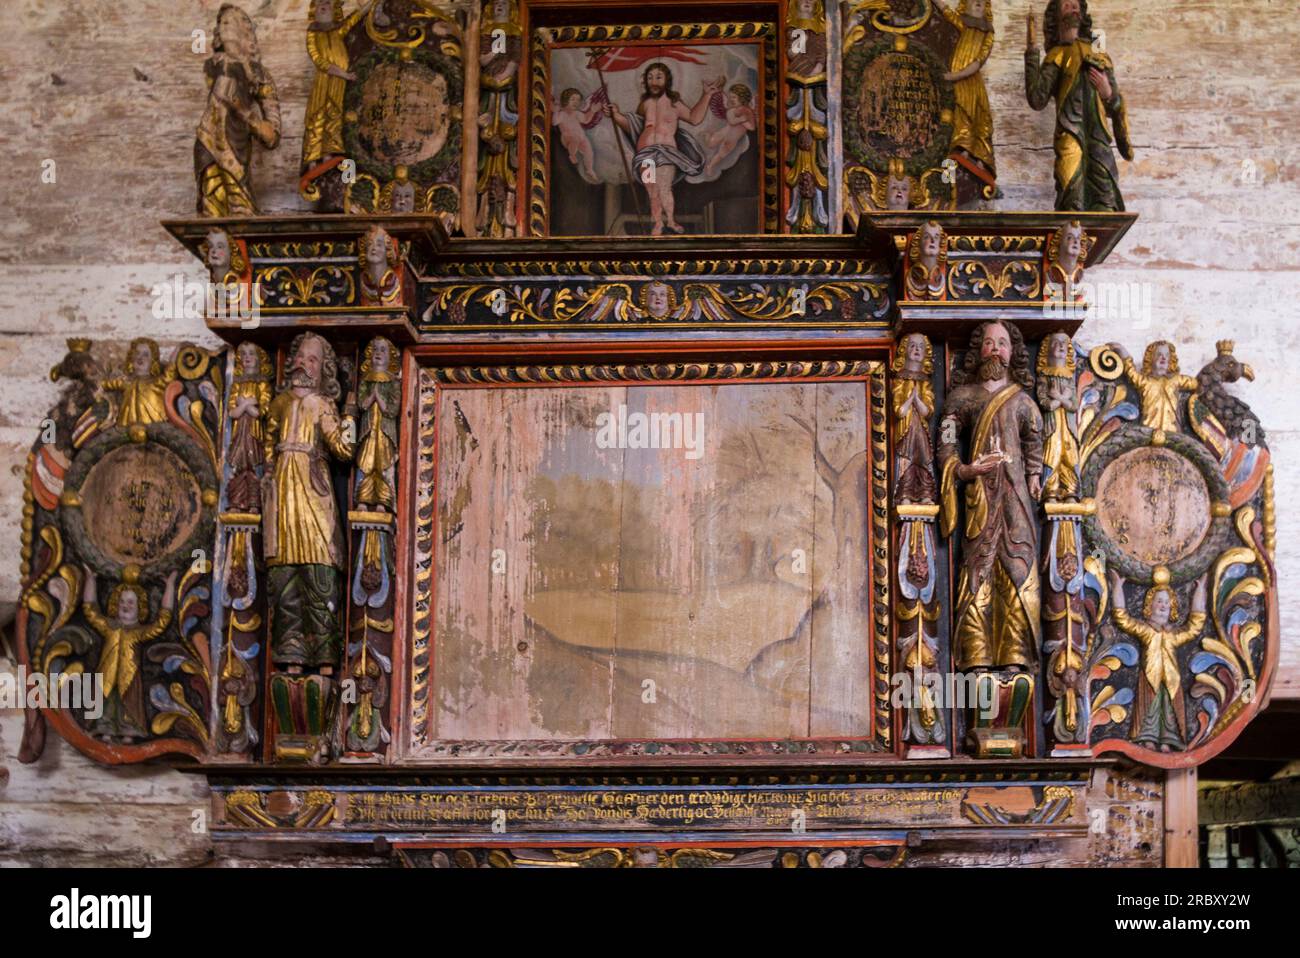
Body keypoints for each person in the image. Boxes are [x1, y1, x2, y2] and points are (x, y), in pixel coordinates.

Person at [604, 62, 723, 235]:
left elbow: (694, 118)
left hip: (666, 154)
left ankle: (671, 221)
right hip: (645, 154)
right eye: (650, 78)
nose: (654, 81)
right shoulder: (645, 104)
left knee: (664, 188)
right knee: (652, 190)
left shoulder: (675, 104)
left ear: (667, 80)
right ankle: (658, 223)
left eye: (658, 77)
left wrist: (706, 95)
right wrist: (616, 115)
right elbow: (634, 127)